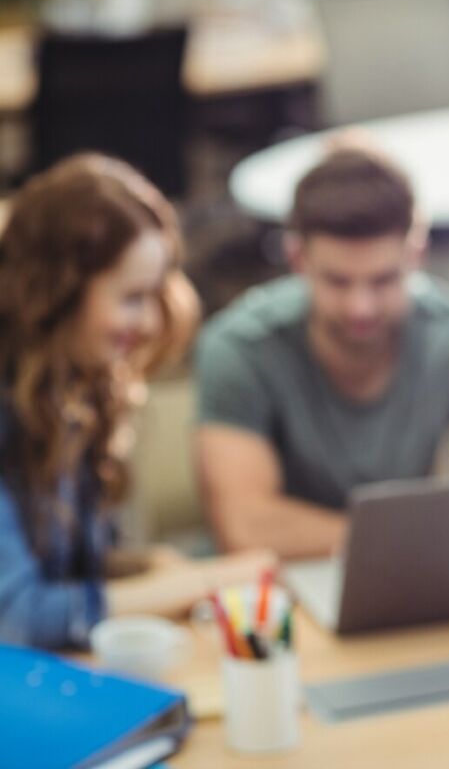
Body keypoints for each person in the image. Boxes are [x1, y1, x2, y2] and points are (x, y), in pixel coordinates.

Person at [195, 147, 449, 560]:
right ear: (297, 259)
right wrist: (416, 543)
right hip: (287, 587)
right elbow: (245, 527)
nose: (362, 307)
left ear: (416, 254)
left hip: (407, 571)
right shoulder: (241, 348)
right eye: (338, 282)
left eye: (383, 280)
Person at [0, 154, 275, 650]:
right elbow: (15, 617)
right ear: (58, 294)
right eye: (131, 299)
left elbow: (63, 566)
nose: (149, 323)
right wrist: (202, 583)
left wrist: (149, 568)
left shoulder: (71, 389)